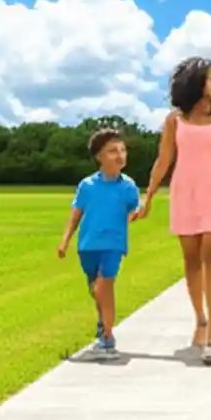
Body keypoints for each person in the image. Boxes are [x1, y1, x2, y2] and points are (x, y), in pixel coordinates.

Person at [137, 56, 211, 365]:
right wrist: (147, 197)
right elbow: (163, 161)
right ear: (196, 83)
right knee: (191, 258)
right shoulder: (174, 121)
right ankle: (200, 320)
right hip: (185, 193)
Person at [56, 128, 141, 359]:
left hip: (113, 244)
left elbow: (135, 208)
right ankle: (103, 326)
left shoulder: (128, 186)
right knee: (97, 291)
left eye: (122, 150)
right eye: (112, 151)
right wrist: (65, 241)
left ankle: (107, 339)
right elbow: (76, 214)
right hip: (88, 246)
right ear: (99, 157)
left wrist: (135, 214)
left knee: (104, 288)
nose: (120, 155)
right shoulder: (87, 186)